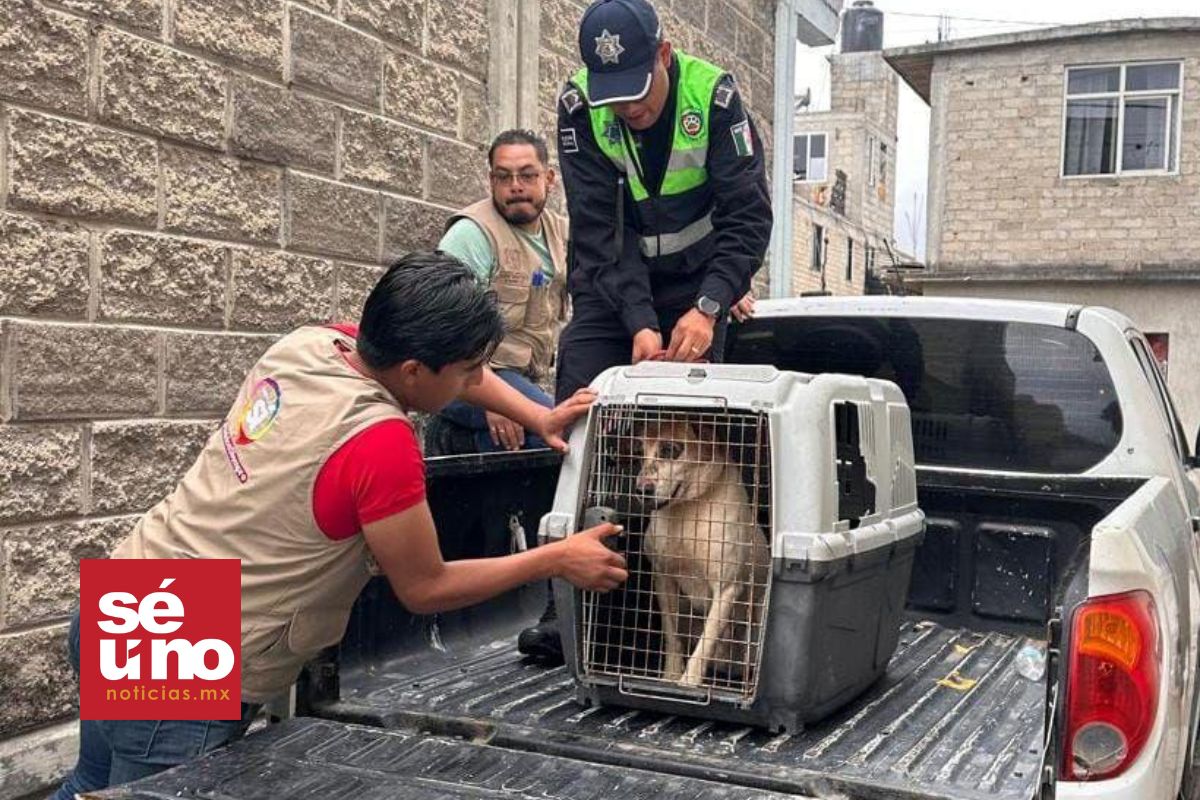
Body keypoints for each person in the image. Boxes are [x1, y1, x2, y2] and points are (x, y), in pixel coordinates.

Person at [54, 253, 628, 796]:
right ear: (412, 371)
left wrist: (536, 415)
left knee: (92, 783)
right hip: (184, 649)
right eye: (467, 368)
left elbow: (446, 366)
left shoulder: (315, 343)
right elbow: (426, 587)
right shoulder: (378, 442)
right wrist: (555, 558)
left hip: (127, 591)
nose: (472, 379)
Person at [517, 0, 773, 664]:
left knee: (703, 423)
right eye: (614, 96)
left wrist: (709, 305)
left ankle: (715, 597)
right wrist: (638, 323)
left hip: (698, 282)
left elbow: (748, 219)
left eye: (636, 90)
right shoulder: (581, 108)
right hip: (614, 283)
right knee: (577, 407)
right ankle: (568, 599)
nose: (626, 108)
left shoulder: (714, 100)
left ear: (663, 56)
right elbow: (600, 232)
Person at [426, 130, 570, 455]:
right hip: (466, 377)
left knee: (582, 429)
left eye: (527, 175)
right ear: (491, 181)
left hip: (521, 376)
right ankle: (453, 442)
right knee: (559, 435)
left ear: (549, 179)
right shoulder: (472, 234)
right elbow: (444, 331)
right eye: (504, 176)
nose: (515, 185)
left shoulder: (562, 234)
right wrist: (496, 400)